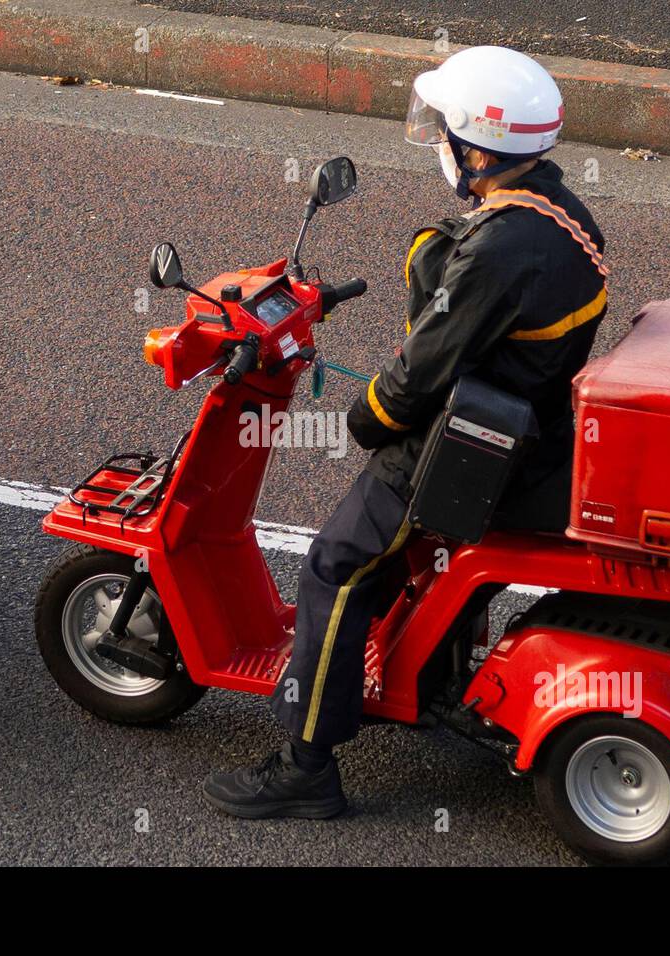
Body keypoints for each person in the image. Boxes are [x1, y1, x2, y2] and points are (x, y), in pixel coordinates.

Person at [202, 45, 609, 819]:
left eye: (449, 134)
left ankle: (305, 765)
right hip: (536, 431)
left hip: (469, 452)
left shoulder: (499, 247)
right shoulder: (560, 213)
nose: (441, 148)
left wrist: (366, 418)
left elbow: (416, 379)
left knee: (336, 566)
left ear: (481, 145)